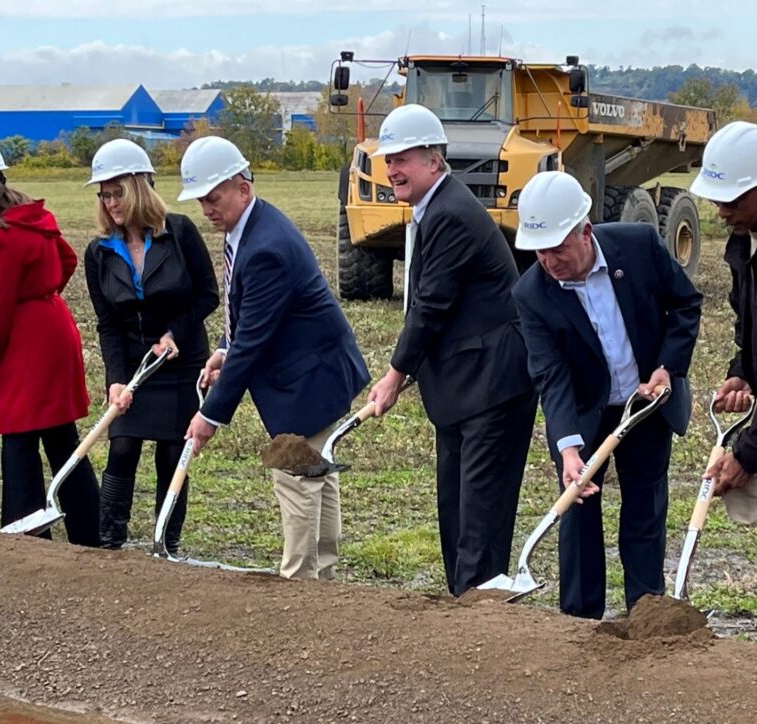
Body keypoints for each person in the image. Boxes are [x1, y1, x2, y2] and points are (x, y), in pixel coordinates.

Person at [178, 136, 370, 581]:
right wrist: (223, 347)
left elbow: (254, 343)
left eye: (213, 196)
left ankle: (300, 584)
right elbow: (246, 321)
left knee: (297, 477)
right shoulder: (251, 229)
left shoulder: (264, 247)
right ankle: (321, 574)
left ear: (242, 187)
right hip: (313, 370)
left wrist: (210, 416)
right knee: (314, 470)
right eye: (201, 199)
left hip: (308, 378)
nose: (206, 208)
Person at [513, 170, 701, 619]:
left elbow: (686, 304)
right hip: (583, 409)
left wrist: (667, 368)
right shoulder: (531, 294)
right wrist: (568, 447)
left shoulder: (639, 247)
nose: (549, 261)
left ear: (586, 232)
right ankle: (579, 620)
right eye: (539, 251)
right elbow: (551, 375)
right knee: (578, 511)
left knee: (644, 509)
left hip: (646, 401)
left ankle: (646, 614)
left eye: (558, 247)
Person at [367, 104, 537, 597]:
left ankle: (477, 623)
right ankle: (463, 614)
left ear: (435, 159)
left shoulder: (452, 214)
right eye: (388, 160)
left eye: (403, 158)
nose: (392, 169)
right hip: (463, 390)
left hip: (492, 388)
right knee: (457, 515)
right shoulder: (436, 209)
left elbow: (430, 306)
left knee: (478, 524)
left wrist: (395, 376)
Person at [84, 139, 219, 552]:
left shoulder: (179, 233)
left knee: (170, 454)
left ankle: (166, 545)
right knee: (122, 448)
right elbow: (108, 325)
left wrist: (174, 333)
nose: (110, 203)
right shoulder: (99, 253)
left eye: (117, 192)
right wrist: (116, 380)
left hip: (182, 365)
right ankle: (109, 543)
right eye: (104, 195)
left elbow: (208, 295)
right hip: (135, 367)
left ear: (140, 186)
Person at [0, 143, 100, 545]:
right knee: (61, 437)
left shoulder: (0, 236)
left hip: (26, 348)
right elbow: (67, 260)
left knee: (18, 439)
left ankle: (26, 542)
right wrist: (42, 293)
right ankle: (90, 532)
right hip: (56, 332)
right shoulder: (34, 218)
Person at [689, 121, 757, 496]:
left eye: (732, 201)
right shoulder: (744, 243)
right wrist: (744, 371)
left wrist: (747, 455)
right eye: (717, 200)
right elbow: (749, 328)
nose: (721, 212)